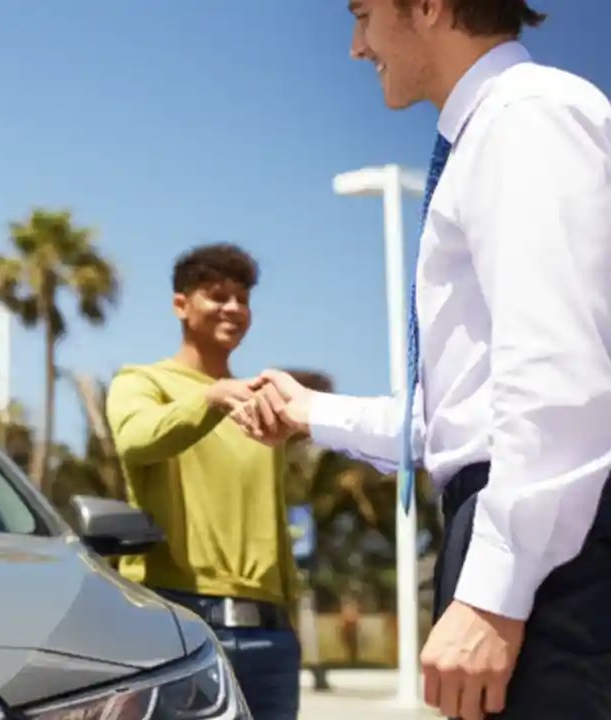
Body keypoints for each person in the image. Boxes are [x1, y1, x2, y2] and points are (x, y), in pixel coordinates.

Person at [232, 1, 611, 718]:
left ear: (429, 7)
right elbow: (463, 416)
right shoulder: (497, 131)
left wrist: (495, 595)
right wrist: (310, 413)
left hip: (552, 556)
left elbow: (560, 381)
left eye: (364, 14)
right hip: (532, 536)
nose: (355, 45)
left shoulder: (526, 118)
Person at [104, 243, 301, 720]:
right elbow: (136, 438)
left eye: (243, 298)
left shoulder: (262, 400)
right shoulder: (143, 382)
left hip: (270, 635)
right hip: (179, 623)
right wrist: (211, 398)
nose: (233, 308)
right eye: (217, 295)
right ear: (181, 305)